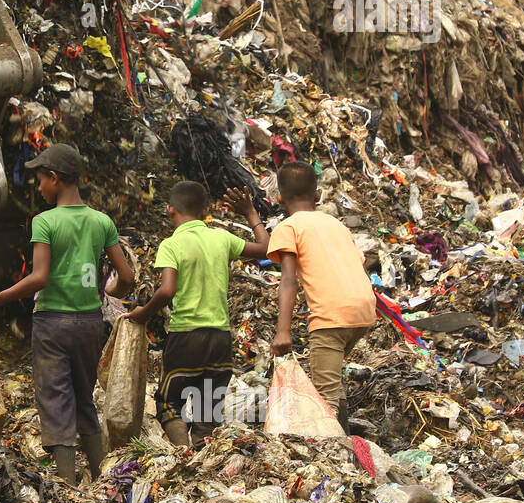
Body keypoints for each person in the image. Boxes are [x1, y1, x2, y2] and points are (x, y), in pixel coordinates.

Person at [0, 143, 134, 486]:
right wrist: (110, 294)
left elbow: (39, 277)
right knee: (84, 398)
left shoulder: (45, 222)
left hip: (53, 324)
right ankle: (104, 478)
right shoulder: (102, 222)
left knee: (56, 399)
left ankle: (69, 484)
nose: (39, 188)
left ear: (55, 179)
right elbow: (127, 278)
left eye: (41, 181)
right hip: (89, 324)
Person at [125, 181, 269, 448]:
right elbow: (265, 249)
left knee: (169, 403)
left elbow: (167, 290)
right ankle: (200, 458)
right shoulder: (222, 237)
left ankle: (183, 455)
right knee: (207, 412)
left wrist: (143, 313)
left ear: (170, 210)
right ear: (207, 211)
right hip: (220, 339)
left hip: (186, 337)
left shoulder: (172, 244)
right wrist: (250, 212)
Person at [267, 161, 376, 433]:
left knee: (324, 398)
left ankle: (337, 460)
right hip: (363, 312)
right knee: (332, 381)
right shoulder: (336, 224)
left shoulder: (288, 227)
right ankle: (347, 441)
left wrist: (283, 331)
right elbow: (360, 267)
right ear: (318, 195)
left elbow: (289, 280)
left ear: (278, 198)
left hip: (331, 317)